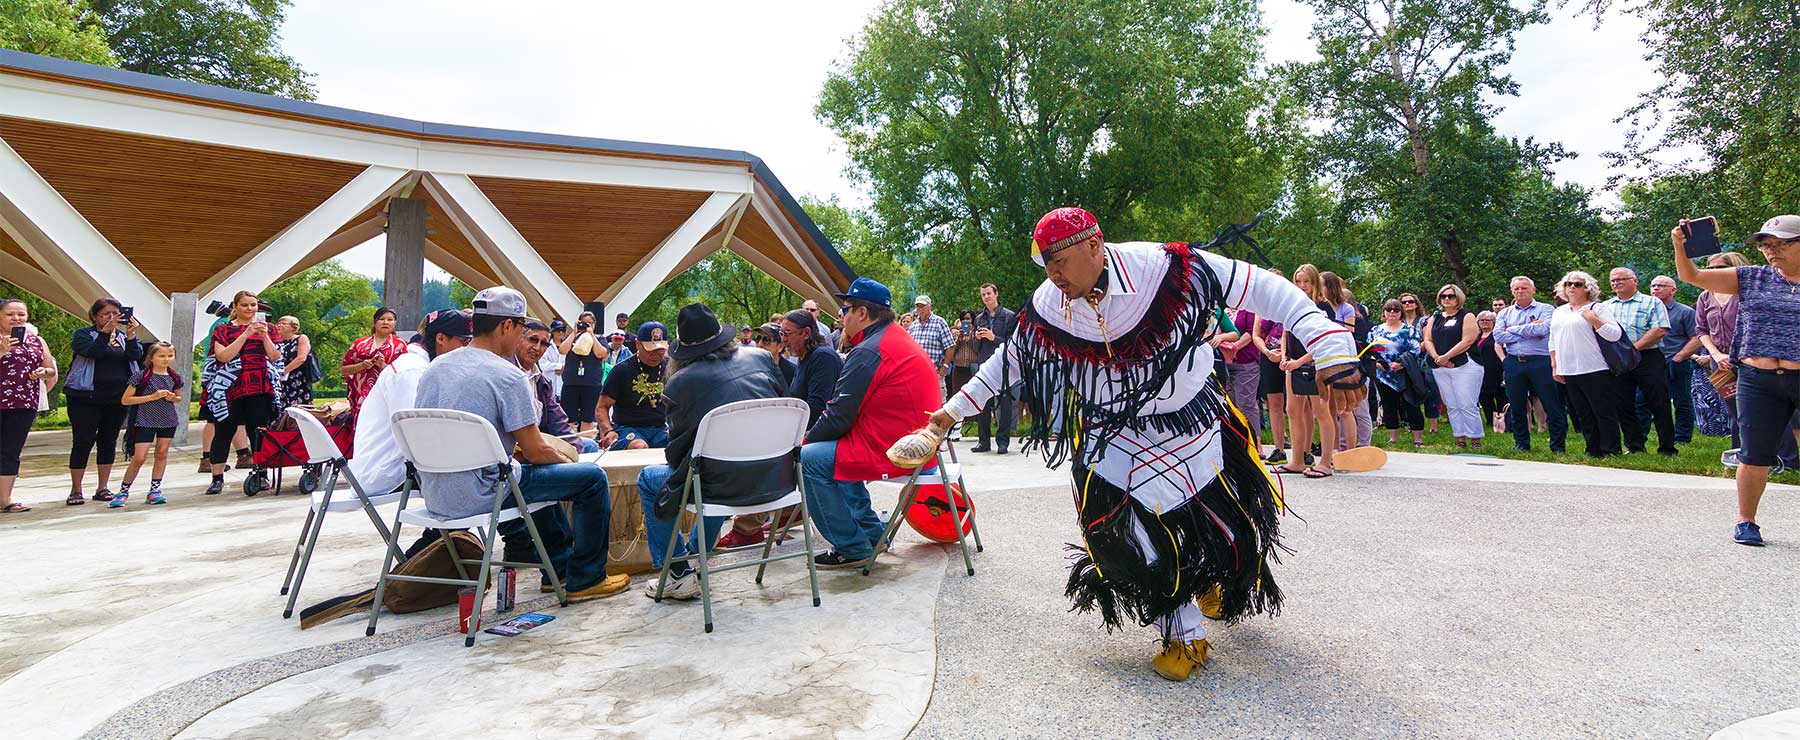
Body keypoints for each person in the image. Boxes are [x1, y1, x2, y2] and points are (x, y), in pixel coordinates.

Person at [906, 207, 1360, 682]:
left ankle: (1215, 578)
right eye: (1045, 263)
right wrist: (946, 415)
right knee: (1122, 536)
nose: (1052, 273)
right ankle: (1182, 629)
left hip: (1194, 419)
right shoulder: (1047, 304)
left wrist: (1331, 347)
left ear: (1093, 245)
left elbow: (1267, 289)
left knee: (1225, 518)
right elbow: (1009, 361)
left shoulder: (1167, 268)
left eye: (1059, 259)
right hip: (1112, 432)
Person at [412, 287, 630, 601]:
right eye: (520, 329)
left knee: (533, 475)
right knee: (588, 479)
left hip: (436, 495)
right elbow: (537, 451)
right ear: (506, 326)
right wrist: (571, 461)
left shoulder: (434, 369)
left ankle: (558, 568)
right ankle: (586, 577)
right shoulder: (507, 376)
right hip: (484, 494)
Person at [638, 303, 790, 600]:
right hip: (779, 480)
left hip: (720, 487)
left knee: (655, 478)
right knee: (708, 465)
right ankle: (698, 553)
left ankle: (677, 573)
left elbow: (676, 455)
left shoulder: (680, 382)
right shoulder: (762, 358)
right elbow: (785, 406)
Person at [1673, 215, 1800, 547]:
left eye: (1781, 244)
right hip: (1758, 379)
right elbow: (1693, 276)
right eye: (1766, 245)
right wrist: (1680, 245)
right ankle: (1747, 521)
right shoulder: (1751, 277)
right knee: (1755, 453)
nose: (1771, 251)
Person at [802, 277, 941, 568]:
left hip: (897, 449)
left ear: (862, 313)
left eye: (845, 309)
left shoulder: (868, 350)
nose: (841, 316)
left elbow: (838, 414)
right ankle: (872, 533)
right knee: (833, 451)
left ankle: (851, 546)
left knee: (808, 459)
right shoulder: (891, 337)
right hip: (914, 444)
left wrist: (803, 442)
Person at [349, 310, 473, 499]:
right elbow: (415, 435)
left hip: (391, 466)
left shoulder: (414, 365)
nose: (467, 349)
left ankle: (447, 529)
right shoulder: (412, 371)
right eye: (464, 342)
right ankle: (445, 529)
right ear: (441, 338)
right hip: (386, 473)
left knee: (483, 469)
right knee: (484, 474)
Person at [65, 298, 143, 505]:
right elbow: (94, 352)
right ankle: (75, 489)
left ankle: (103, 487)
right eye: (106, 314)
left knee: (108, 441)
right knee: (83, 441)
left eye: (115, 314)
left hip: (116, 398)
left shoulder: (123, 337)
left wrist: (132, 335)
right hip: (85, 397)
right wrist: (104, 333)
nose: (111, 318)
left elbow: (136, 356)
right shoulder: (83, 335)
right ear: (94, 317)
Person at [204, 291, 283, 495]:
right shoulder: (224, 329)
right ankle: (217, 478)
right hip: (230, 388)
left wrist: (264, 336)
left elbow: (275, 357)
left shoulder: (270, 329)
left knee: (258, 432)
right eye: (245, 305)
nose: (250, 309)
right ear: (235, 307)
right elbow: (222, 356)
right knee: (223, 431)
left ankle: (261, 474)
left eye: (253, 305)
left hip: (260, 386)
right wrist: (245, 334)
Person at [1272, 264, 1341, 476]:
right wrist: (1284, 356)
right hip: (1292, 363)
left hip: (1316, 364)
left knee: (1321, 411)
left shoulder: (1323, 307)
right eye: (1298, 281)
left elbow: (1324, 340)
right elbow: (1286, 333)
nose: (1302, 286)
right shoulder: (1291, 304)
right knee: (1292, 411)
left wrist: (1300, 361)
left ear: (1314, 283)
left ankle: (1325, 462)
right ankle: (1297, 460)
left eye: (1306, 282)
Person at [1549, 271, 1625, 459]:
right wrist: (1554, 365)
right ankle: (1592, 448)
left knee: (1603, 411)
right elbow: (1553, 340)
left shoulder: (1597, 308)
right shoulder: (1559, 311)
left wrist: (1592, 319)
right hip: (1569, 368)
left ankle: (1611, 449)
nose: (1572, 287)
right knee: (1583, 413)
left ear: (1587, 288)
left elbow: (1615, 335)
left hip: (1595, 367)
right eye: (1568, 284)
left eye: (1577, 284)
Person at [1604, 267, 1677, 455]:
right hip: (1618, 361)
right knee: (1623, 404)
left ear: (1634, 281)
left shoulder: (1652, 302)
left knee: (1658, 403)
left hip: (1648, 357)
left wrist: (1632, 349)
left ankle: (1667, 448)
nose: (1616, 283)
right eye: (1613, 280)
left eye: (1621, 279)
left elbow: (1660, 329)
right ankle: (1635, 447)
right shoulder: (1606, 306)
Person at [1493, 277, 1565, 452]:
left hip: (1540, 361)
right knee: (1517, 406)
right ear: (1511, 291)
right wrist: (1530, 329)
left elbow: (1543, 329)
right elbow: (1498, 337)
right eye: (1516, 288)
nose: (1520, 291)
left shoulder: (1546, 309)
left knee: (1552, 404)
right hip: (1514, 362)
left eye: (1524, 288)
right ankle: (1521, 444)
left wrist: (1514, 329)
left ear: (1533, 290)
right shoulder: (1504, 313)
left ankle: (1557, 446)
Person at [2, 298, 57, 513]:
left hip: (23, 401)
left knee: (11, 450)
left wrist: (44, 373)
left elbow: (50, 369)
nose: (16, 318)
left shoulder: (36, 340)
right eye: (10, 314)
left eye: (21, 314)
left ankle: (5, 499)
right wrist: (2, 350)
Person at [513, 318, 599, 455]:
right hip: (520, 449)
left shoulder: (542, 381)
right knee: (594, 471)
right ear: (518, 339)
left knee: (589, 446)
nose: (537, 347)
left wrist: (575, 450)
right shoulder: (508, 374)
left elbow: (557, 421)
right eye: (533, 340)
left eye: (544, 344)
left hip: (543, 440)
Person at [1694, 252, 1750, 449]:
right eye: (1710, 268)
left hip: (1749, 358)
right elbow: (1701, 330)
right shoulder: (1705, 296)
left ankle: (1785, 460)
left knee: (1758, 410)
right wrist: (1715, 355)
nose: (1714, 272)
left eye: (1720, 268)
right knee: (1734, 411)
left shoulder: (1747, 292)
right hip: (1719, 362)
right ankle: (1739, 454)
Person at [115, 342, 181, 507]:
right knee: (139, 457)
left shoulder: (175, 377)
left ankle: (155, 489)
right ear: (151, 358)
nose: (166, 359)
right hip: (145, 420)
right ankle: (123, 490)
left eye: (170, 356)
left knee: (162, 453)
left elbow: (178, 397)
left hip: (168, 420)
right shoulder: (141, 376)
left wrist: (172, 397)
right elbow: (125, 400)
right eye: (161, 356)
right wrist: (151, 397)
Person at [1423, 284, 1484, 449]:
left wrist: (1447, 356)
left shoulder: (1467, 316)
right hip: (1440, 366)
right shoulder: (1435, 318)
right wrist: (1437, 357)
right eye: (1444, 296)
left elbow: (1468, 340)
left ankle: (1475, 439)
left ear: (1459, 298)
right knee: (1451, 403)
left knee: (1467, 403)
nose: (1447, 299)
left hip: (1465, 365)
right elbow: (1427, 339)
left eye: (1451, 296)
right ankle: (1460, 439)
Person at [598, 322, 669, 450]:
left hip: (661, 427)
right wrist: (608, 431)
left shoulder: (670, 368)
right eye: (650, 350)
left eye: (660, 350)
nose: (655, 354)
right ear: (637, 344)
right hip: (627, 428)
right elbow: (602, 407)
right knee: (639, 446)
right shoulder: (622, 370)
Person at [1647, 275, 1700, 444]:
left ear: (1673, 290)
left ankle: (1682, 438)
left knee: (1681, 401)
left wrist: (1679, 357)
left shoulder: (1685, 312)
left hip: (1676, 362)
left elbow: (1697, 338)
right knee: (1646, 401)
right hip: (1651, 361)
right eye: (1653, 285)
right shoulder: (1647, 310)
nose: (1656, 288)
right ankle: (1643, 437)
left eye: (1661, 285)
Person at [1370, 299, 1425, 446]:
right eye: (1389, 310)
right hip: (1383, 374)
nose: (1392, 313)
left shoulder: (1409, 330)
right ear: (1384, 312)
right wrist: (1377, 363)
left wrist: (1401, 364)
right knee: (1388, 405)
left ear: (1401, 312)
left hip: (1405, 373)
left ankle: (1417, 439)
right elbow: (1369, 350)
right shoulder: (1376, 330)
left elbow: (1415, 349)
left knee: (1411, 404)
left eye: (1396, 310)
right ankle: (1392, 438)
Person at [970, 283, 1017, 453]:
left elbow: (1013, 344)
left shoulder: (1009, 316)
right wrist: (976, 338)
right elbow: (975, 348)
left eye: (989, 293)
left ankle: (1003, 442)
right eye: (983, 294)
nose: (986, 297)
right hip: (984, 365)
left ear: (996, 294)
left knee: (1004, 405)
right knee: (982, 404)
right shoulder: (979, 318)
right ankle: (984, 442)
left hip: (1003, 365)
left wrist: (993, 337)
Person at [341, 307, 408, 419]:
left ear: (394, 323)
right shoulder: (360, 343)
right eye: (382, 319)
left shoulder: (401, 345)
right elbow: (344, 369)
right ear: (374, 322)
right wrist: (362, 365)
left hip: (388, 393)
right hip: (361, 393)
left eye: (390, 319)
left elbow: (404, 373)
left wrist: (384, 366)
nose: (386, 322)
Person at [1252, 279, 1290, 460]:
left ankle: (1304, 448)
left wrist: (1282, 355)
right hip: (1268, 356)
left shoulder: (1288, 303)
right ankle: (1279, 448)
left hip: (1289, 357)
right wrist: (1267, 352)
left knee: (1296, 405)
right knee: (1273, 403)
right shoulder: (1262, 308)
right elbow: (1256, 335)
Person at [556, 311, 609, 434]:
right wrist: (574, 332)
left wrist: (591, 335)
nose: (587, 326)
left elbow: (601, 354)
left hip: (591, 383)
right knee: (569, 418)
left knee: (588, 418)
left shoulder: (600, 339)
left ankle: (586, 444)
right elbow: (562, 350)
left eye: (590, 323)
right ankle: (571, 443)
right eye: (584, 323)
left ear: (594, 325)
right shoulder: (572, 337)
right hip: (571, 382)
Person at [1399, 291, 1442, 433]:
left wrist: (1414, 350)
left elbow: (1427, 339)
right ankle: (1413, 424)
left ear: (1416, 304)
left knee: (1430, 392)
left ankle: (1433, 426)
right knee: (1409, 392)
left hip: (1424, 360)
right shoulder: (1399, 322)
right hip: (1406, 362)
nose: (1407, 304)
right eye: (1404, 302)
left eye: (1410, 301)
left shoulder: (1425, 320)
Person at [907, 294, 954, 401]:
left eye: (923, 306)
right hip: (916, 374)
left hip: (935, 372)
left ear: (930, 306)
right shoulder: (913, 326)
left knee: (937, 404)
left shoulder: (940, 322)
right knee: (918, 403)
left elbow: (950, 346)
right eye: (918, 306)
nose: (920, 309)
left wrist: (946, 366)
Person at [1473, 312, 1507, 432]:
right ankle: (1489, 422)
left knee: (1500, 398)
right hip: (1480, 372)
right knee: (1484, 397)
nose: (1484, 322)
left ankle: (1502, 424)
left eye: (1488, 320)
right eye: (1481, 320)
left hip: (1496, 371)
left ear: (1494, 322)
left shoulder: (1497, 336)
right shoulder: (1475, 337)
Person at [273, 316, 315, 407]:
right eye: (278, 323)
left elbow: (301, 358)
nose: (279, 325)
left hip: (297, 380)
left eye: (283, 323)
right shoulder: (276, 341)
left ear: (293, 327)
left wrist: (283, 372)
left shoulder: (301, 338)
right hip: (279, 382)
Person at [541, 319, 568, 397]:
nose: (561, 332)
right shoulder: (546, 346)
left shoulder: (569, 345)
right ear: (552, 331)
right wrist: (559, 367)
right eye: (558, 330)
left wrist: (564, 368)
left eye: (563, 330)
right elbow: (543, 364)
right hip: (549, 382)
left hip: (564, 385)